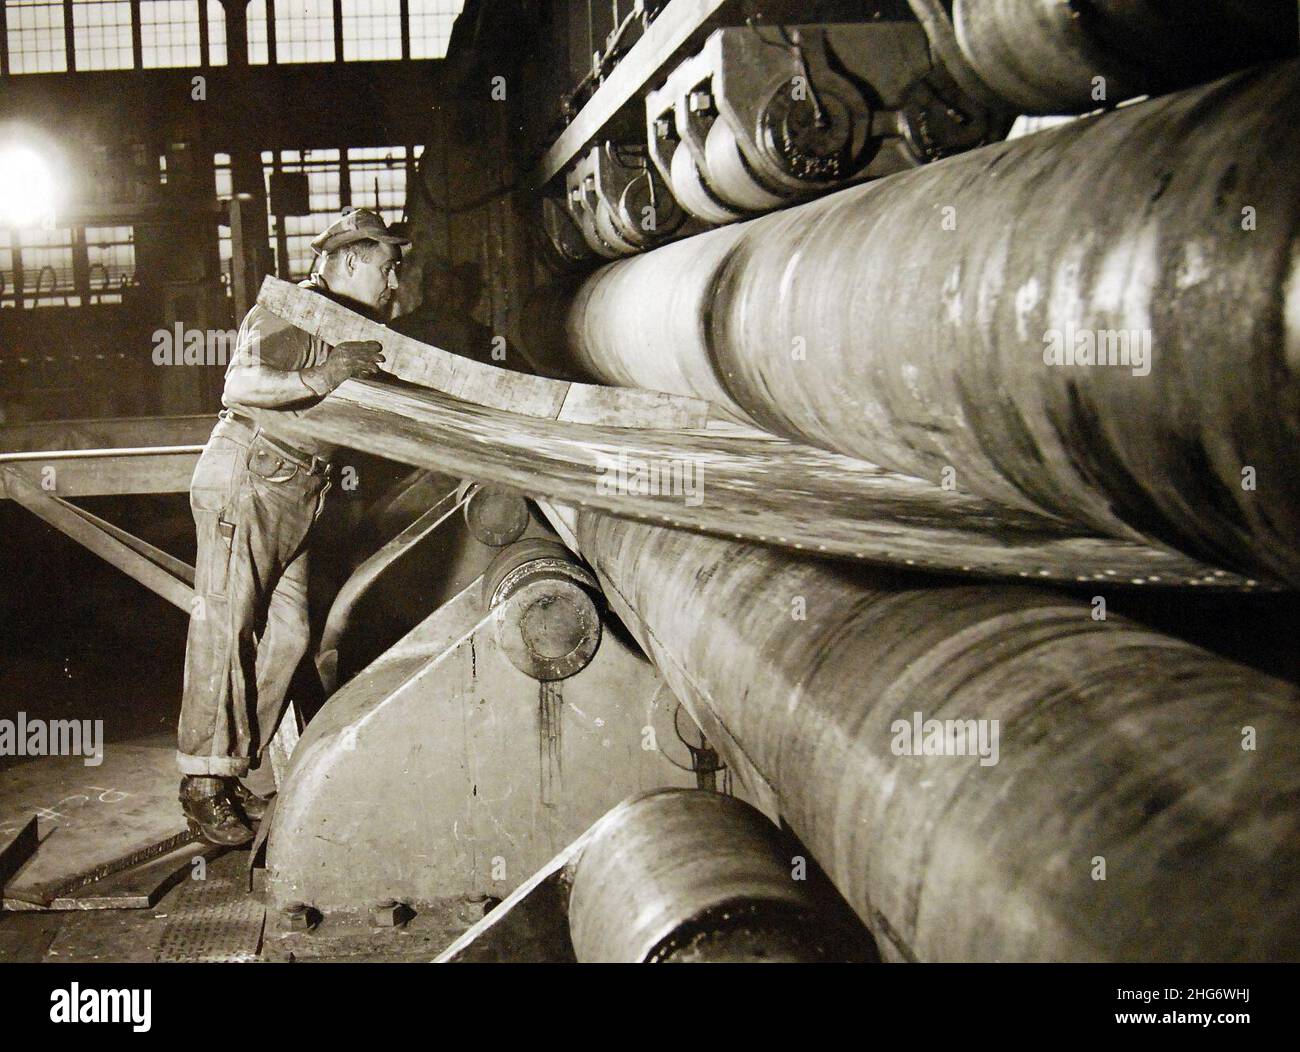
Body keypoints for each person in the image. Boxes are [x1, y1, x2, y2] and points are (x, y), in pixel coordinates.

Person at [176, 207, 408, 845]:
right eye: (386, 266)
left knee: (290, 634)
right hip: (250, 474)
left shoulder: (346, 322)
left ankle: (229, 769)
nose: (393, 281)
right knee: (227, 625)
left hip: (298, 489)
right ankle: (202, 781)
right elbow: (242, 380)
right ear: (352, 259)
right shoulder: (295, 307)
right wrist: (322, 375)